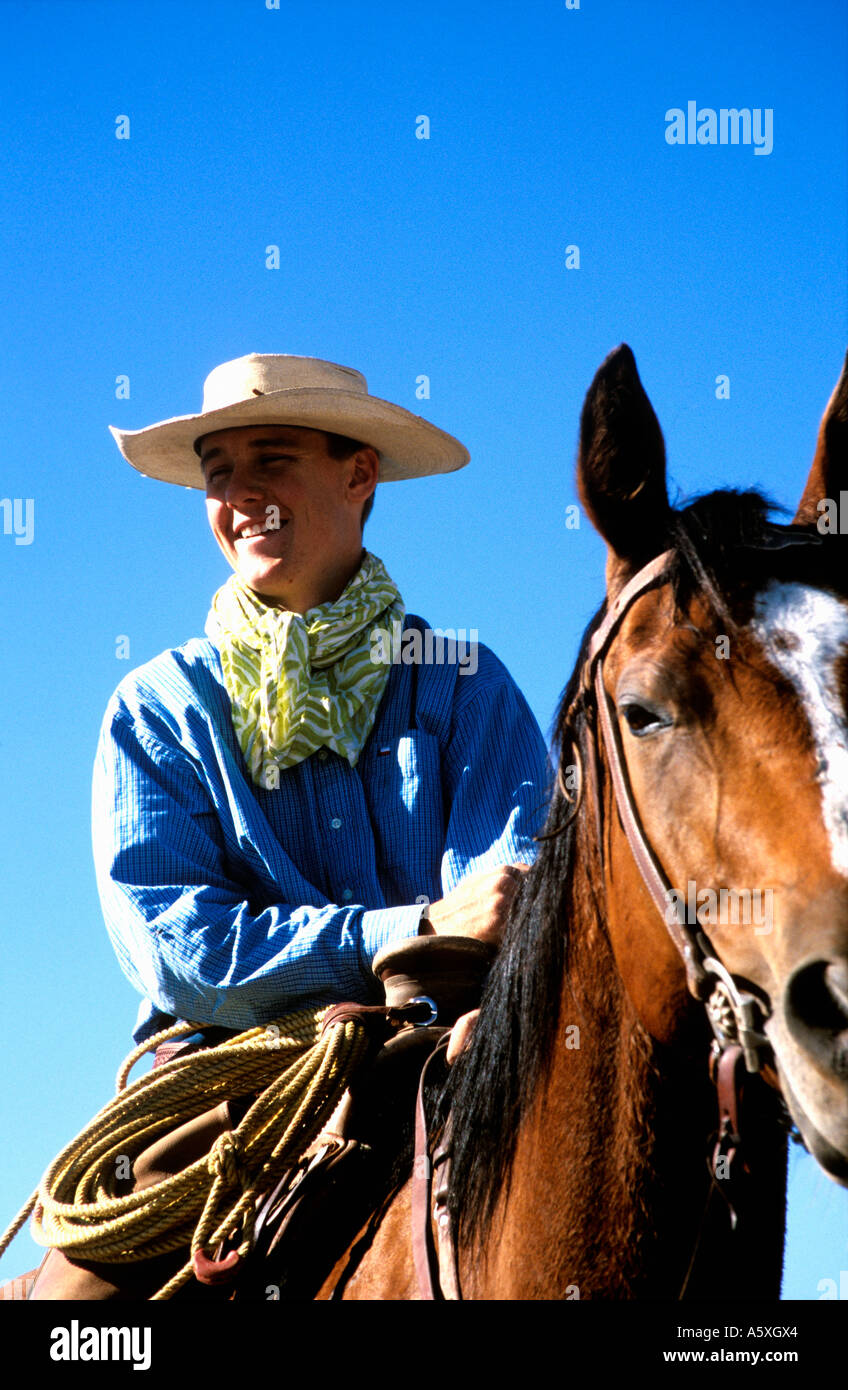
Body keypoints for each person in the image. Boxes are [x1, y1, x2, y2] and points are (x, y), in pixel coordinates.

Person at [93, 352, 550, 1050]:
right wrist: (409, 933)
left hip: (450, 1045)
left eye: (271, 461)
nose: (240, 495)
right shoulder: (160, 708)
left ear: (359, 475)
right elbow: (180, 951)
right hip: (229, 1079)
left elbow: (504, 905)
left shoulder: (462, 683)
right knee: (130, 1168)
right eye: (218, 473)